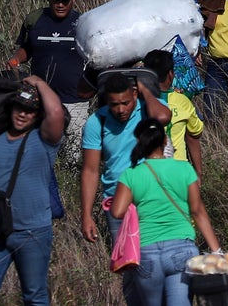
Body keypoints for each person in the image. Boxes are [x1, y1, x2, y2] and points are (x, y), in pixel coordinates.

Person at [0, 76, 65, 306]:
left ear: (37, 114)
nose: (22, 114)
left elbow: (57, 112)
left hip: (33, 231)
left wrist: (39, 82)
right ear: (11, 108)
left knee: (35, 297)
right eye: (19, 108)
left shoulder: (44, 138)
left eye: (29, 111)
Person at [80, 72, 173, 306]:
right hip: (117, 205)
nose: (120, 109)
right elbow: (90, 170)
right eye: (114, 104)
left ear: (134, 95)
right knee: (129, 268)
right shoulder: (97, 122)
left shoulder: (148, 110)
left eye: (125, 102)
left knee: (156, 263)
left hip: (151, 202)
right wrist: (86, 214)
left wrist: (144, 90)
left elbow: (164, 116)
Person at [110, 118, 223, 306]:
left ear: (139, 141)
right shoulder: (184, 169)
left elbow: (117, 211)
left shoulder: (131, 174)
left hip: (147, 252)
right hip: (181, 249)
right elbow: (197, 211)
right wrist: (216, 250)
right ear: (164, 141)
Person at [6, 0, 91, 166]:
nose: (60, 5)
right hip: (40, 101)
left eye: (65, 0)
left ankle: (67, 192)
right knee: (39, 158)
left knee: (72, 160)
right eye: (56, 0)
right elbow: (27, 48)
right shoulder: (35, 21)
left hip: (75, 102)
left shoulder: (83, 24)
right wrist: (16, 59)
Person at [140, 49, 204, 174]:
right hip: (178, 171)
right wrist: (198, 173)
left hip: (147, 171)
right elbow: (194, 136)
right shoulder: (183, 102)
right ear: (171, 74)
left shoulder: (135, 103)